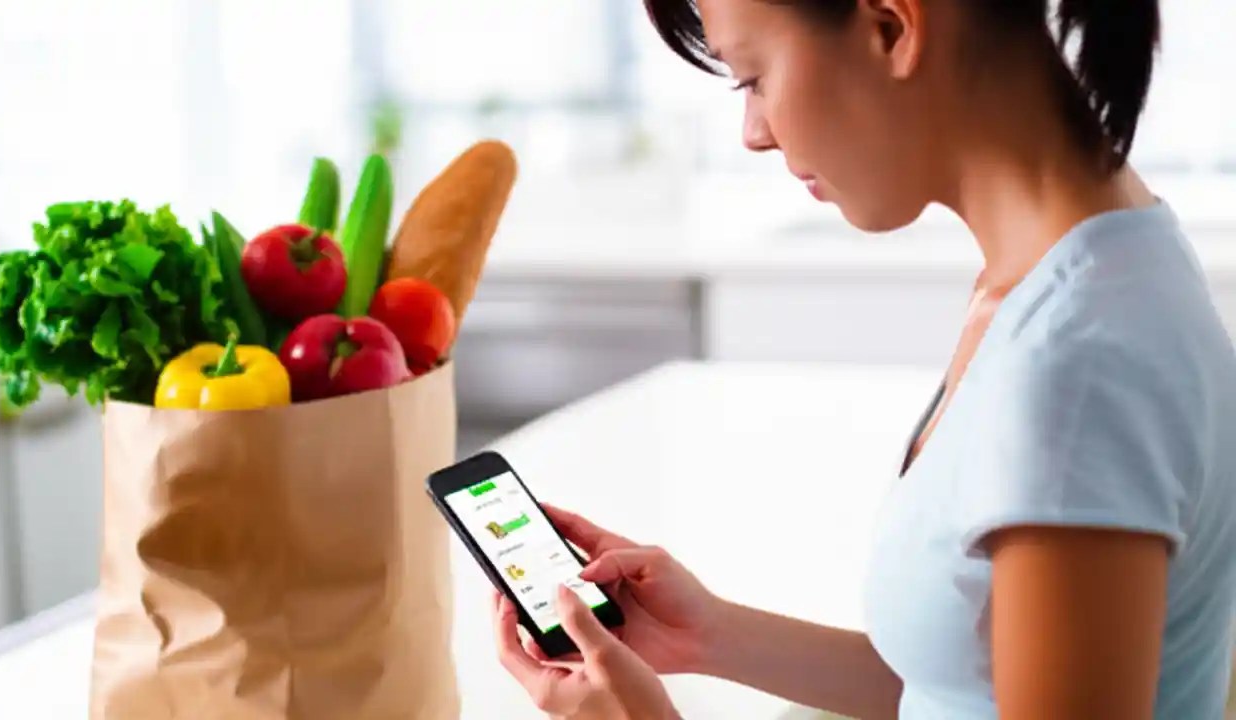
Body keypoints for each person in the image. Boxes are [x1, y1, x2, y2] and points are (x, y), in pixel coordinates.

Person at [492, 0, 1236, 718]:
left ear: (890, 26)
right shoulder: (1077, 272)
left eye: (752, 78)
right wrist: (711, 634)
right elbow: (967, 689)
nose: (754, 132)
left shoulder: (1077, 364)